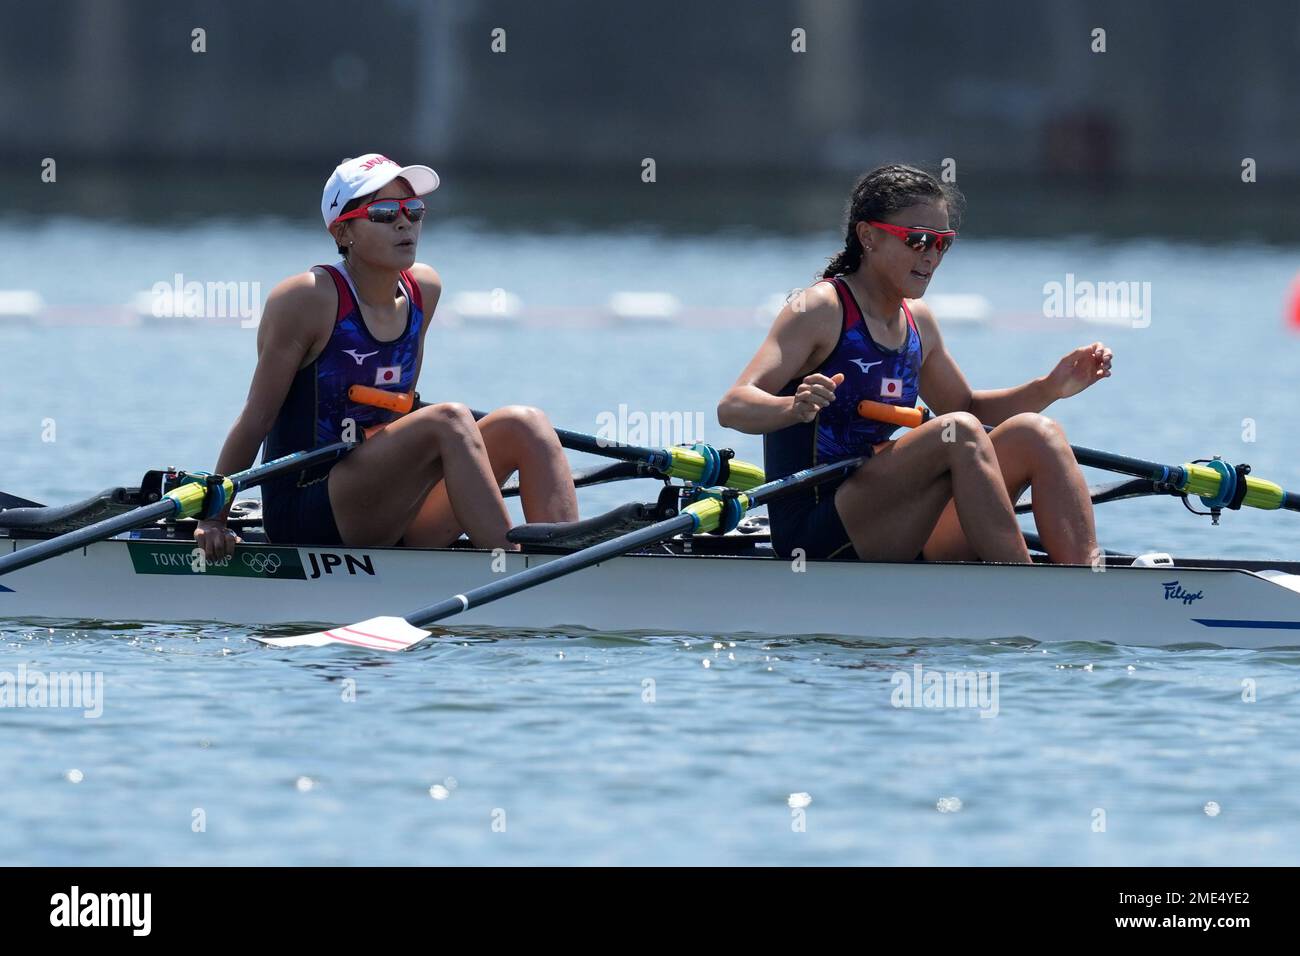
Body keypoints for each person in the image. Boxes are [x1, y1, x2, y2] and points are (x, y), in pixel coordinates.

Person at [717, 163, 1111, 564]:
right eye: (917, 240)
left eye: (943, 243)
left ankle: (1085, 580)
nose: (931, 256)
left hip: (895, 519)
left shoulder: (917, 321)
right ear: (868, 236)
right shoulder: (820, 308)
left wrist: (1050, 387)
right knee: (956, 433)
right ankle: (1023, 586)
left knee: (1037, 432)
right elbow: (733, 406)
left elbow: (968, 409)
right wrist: (791, 407)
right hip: (817, 533)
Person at [195, 153, 577, 561]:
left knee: (527, 423)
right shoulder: (307, 299)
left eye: (413, 210)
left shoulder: (423, 289)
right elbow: (257, 417)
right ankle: (511, 563)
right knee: (449, 419)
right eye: (382, 212)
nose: (404, 223)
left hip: (391, 503)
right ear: (343, 232)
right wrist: (215, 515)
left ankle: (570, 561)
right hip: (310, 508)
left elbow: (398, 411)